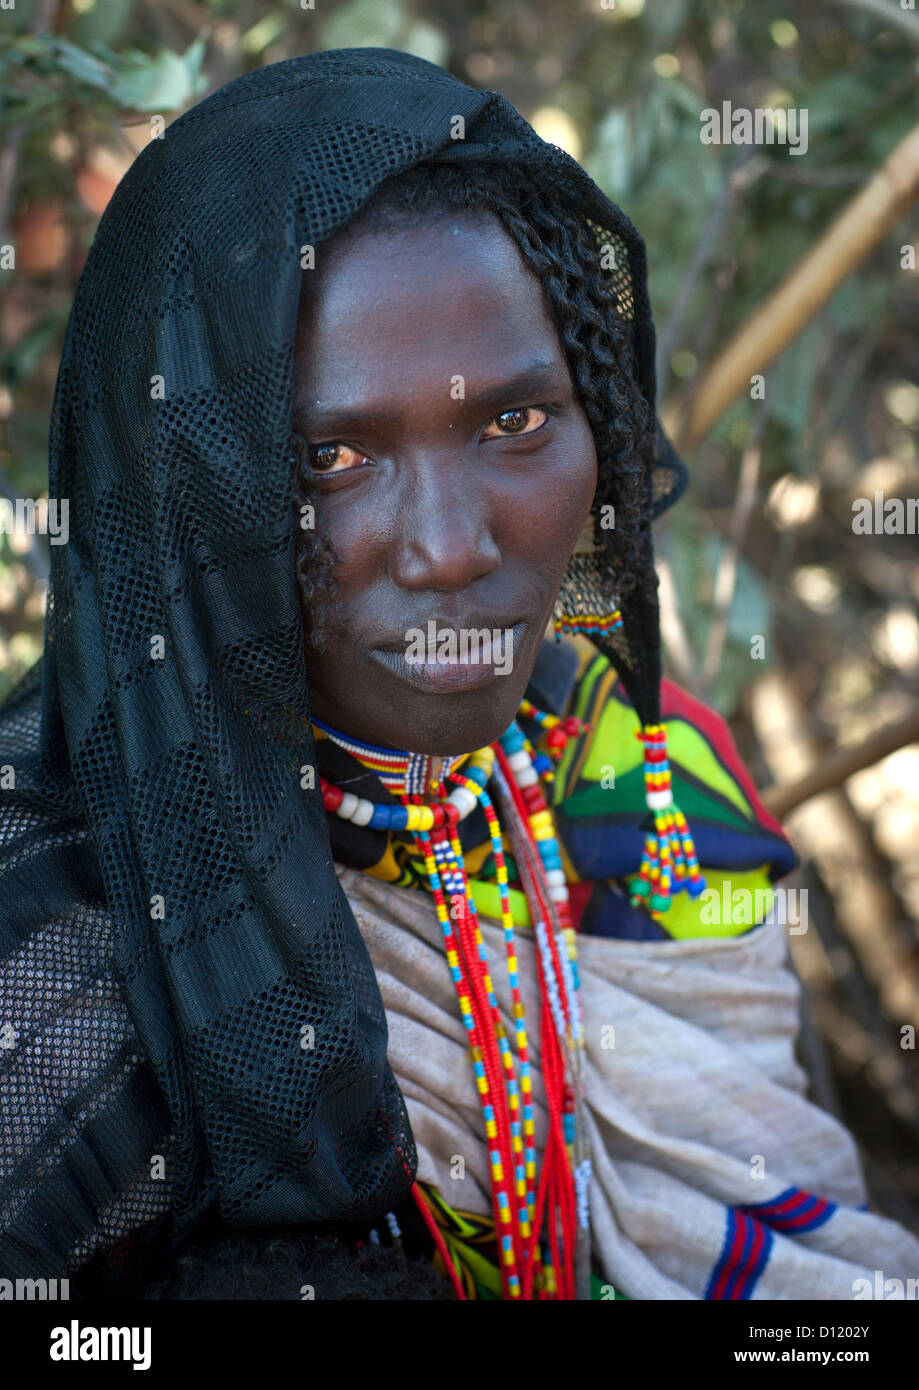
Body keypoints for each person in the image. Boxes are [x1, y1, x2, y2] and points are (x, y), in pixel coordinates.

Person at [1, 47, 917, 1302]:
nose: (451, 548)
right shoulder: (54, 924)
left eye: (513, 424)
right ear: (189, 491)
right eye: (330, 454)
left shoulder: (646, 778)